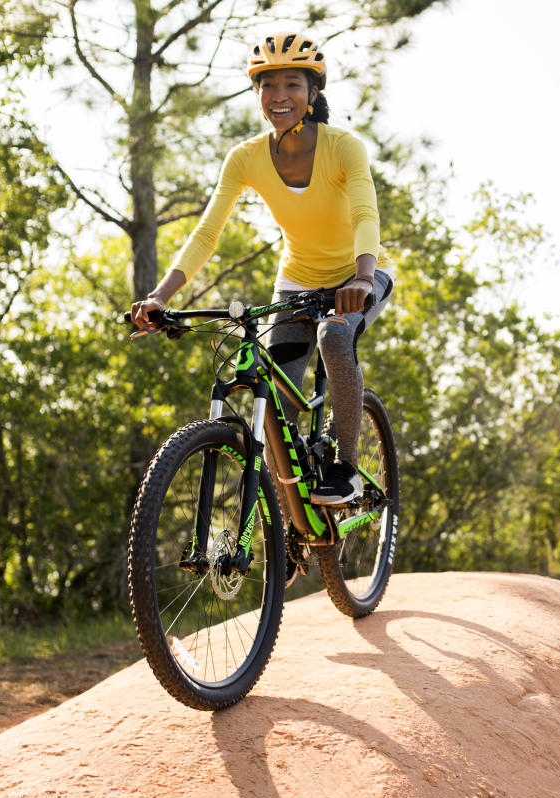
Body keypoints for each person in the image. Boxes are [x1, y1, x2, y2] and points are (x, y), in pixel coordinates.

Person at [130, 31, 393, 505]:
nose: (279, 97)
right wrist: (160, 296)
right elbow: (206, 234)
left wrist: (359, 276)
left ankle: (347, 468)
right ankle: (288, 531)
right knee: (276, 407)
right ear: (257, 94)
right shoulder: (246, 157)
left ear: (313, 93)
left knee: (334, 337)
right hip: (297, 281)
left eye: (292, 85)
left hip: (361, 274)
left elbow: (364, 215)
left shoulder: (342, 146)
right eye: (268, 86)